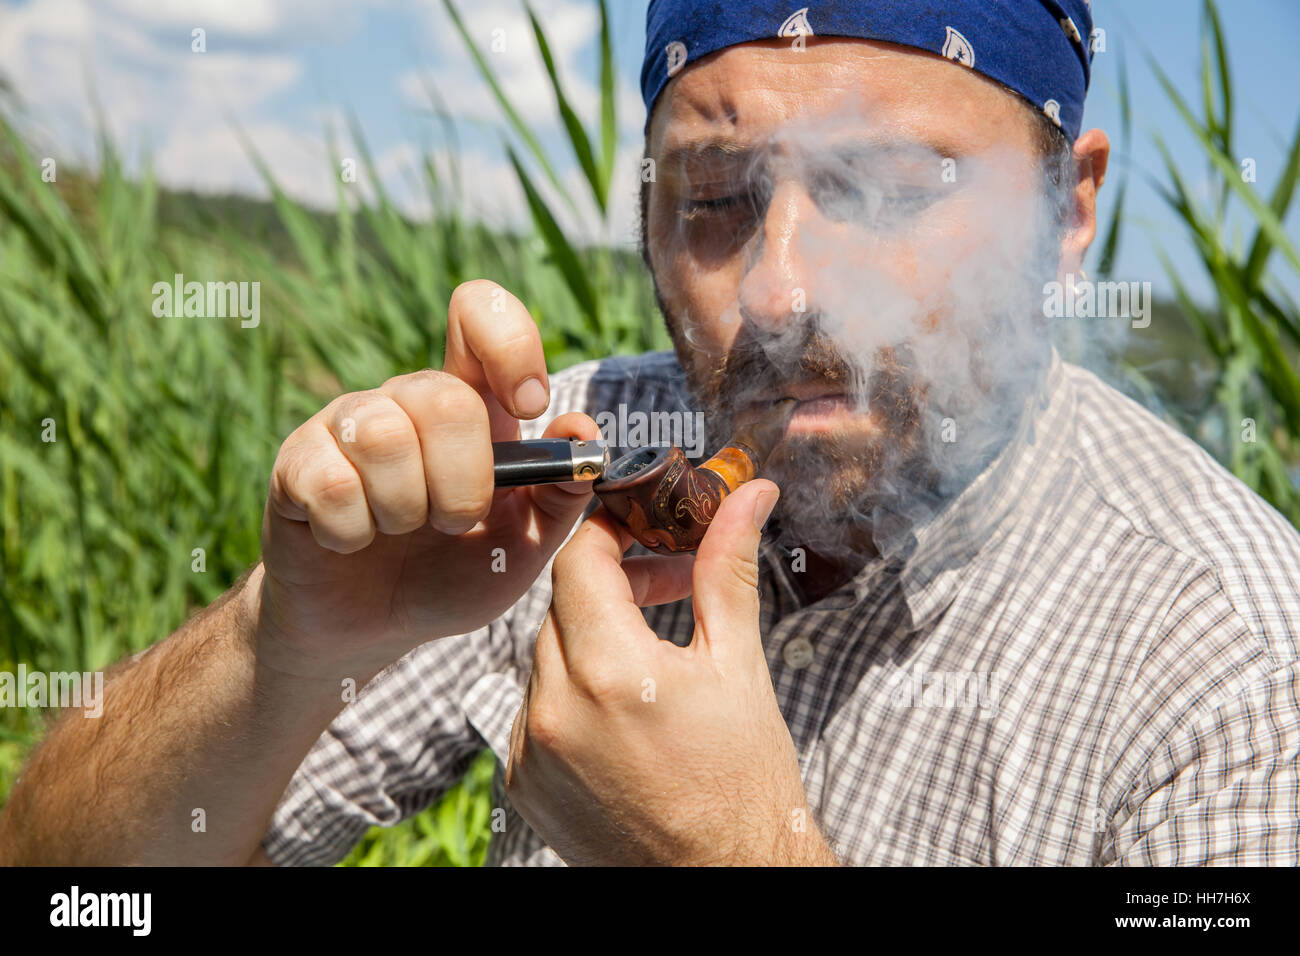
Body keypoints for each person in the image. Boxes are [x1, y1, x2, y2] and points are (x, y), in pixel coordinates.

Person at [3, 0, 1298, 866]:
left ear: (1069, 214)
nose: (782, 293)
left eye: (891, 187)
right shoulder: (581, 463)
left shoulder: (1231, 664)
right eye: (718, 196)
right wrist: (279, 645)